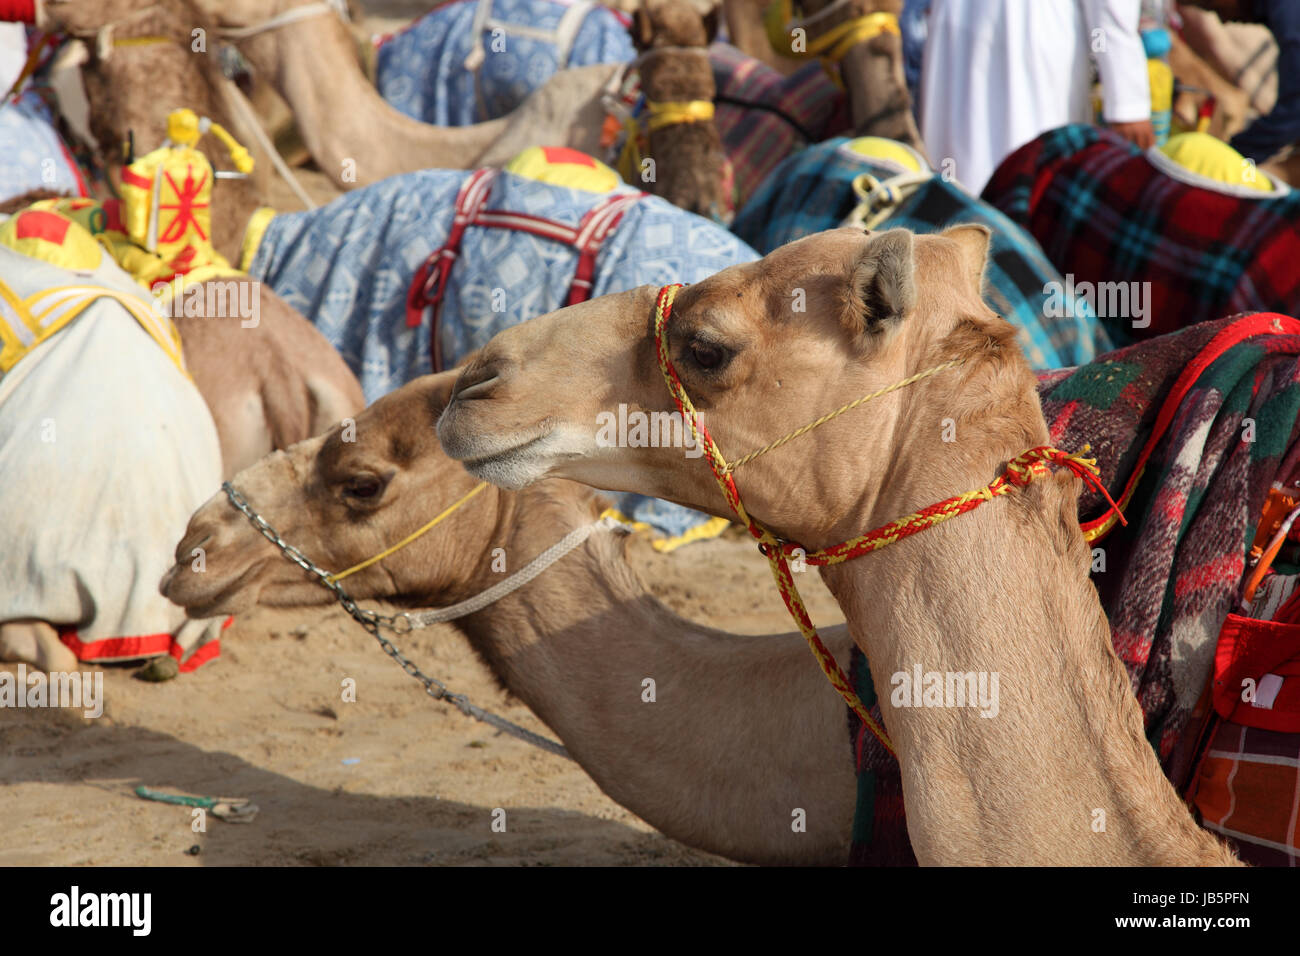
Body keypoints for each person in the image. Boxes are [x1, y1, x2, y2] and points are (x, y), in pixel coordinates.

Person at [920, 0, 1156, 195]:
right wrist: (1129, 105)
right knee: (1026, 172)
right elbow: (1110, 16)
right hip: (1026, 35)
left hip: (966, 26)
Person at [1184, 0, 1300, 163]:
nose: (1223, 21)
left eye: (1216, 9)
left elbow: (1294, 110)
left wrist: (1229, 156)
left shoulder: (1289, 13)